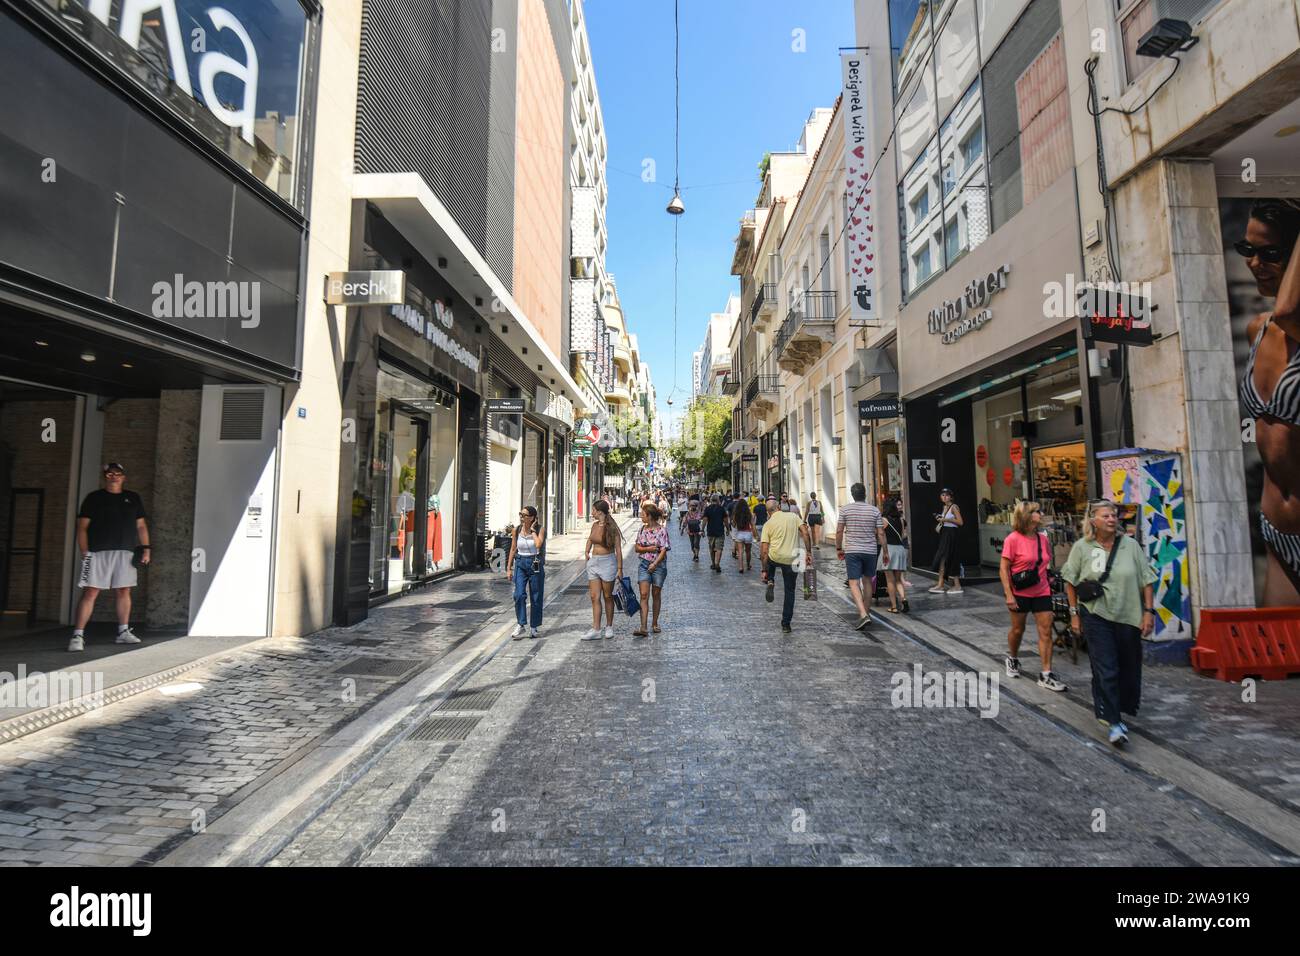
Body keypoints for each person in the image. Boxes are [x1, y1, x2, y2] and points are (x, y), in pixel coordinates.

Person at [1237, 199, 1300, 605]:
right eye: (1248, 250)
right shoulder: (1257, 329)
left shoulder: (1292, 317)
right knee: (1283, 657)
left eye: (1271, 253)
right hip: (1276, 529)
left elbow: (1289, 308)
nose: (1256, 263)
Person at [1062, 499, 1157, 746]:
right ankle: (1114, 722)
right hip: (1096, 616)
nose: (1112, 519)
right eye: (1106, 516)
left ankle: (1113, 708)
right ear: (1093, 521)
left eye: (1114, 515)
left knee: (1128, 667)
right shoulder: (1082, 547)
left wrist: (1149, 612)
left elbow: (1146, 580)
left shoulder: (1131, 546)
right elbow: (1070, 581)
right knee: (1106, 667)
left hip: (1128, 615)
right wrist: (1074, 614)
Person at [69, 462, 150, 652]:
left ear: (124, 477)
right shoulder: (94, 498)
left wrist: (146, 548)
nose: (114, 476)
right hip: (97, 552)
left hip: (126, 551)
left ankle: (123, 632)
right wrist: (85, 552)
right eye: (110, 474)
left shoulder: (133, 498)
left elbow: (141, 526)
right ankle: (77, 635)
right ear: (105, 477)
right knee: (91, 592)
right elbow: (82, 527)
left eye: (118, 473)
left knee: (124, 591)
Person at [999, 501, 1066, 691]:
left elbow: (1045, 564)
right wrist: (1008, 594)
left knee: (1045, 631)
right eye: (1036, 511)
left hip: (1042, 591)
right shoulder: (1012, 539)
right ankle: (1012, 658)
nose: (1040, 513)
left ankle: (1046, 674)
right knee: (1017, 630)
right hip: (1019, 592)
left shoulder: (1042, 539)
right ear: (1026, 515)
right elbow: (1004, 569)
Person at [835, 483, 886, 629]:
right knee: (868, 581)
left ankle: (863, 614)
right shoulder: (874, 510)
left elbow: (839, 531)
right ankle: (866, 613)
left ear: (852, 494)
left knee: (853, 582)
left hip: (853, 551)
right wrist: (885, 551)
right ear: (865, 494)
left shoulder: (845, 510)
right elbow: (881, 533)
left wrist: (838, 548)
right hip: (870, 550)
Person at [760, 494, 806, 633]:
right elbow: (805, 532)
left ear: (768, 512)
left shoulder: (768, 524)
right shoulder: (793, 517)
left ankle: (771, 580)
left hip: (775, 557)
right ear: (779, 507)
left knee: (770, 559)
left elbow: (763, 551)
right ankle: (786, 624)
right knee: (790, 591)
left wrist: (764, 571)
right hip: (793, 559)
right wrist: (808, 552)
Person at [583, 499, 623, 641]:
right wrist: (587, 551)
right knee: (594, 597)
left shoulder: (612, 527)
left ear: (599, 512)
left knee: (607, 596)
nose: (591, 512)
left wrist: (620, 568)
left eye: (593, 510)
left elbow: (618, 549)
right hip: (594, 563)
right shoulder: (594, 525)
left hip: (608, 562)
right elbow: (590, 539)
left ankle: (609, 626)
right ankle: (596, 628)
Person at [507, 506, 545, 640]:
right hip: (520, 563)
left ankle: (534, 626)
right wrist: (509, 568)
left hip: (535, 563)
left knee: (536, 596)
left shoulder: (540, 529)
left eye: (524, 515)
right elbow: (512, 549)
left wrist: (533, 531)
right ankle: (521, 624)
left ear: (532, 518)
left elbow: (538, 544)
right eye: (520, 514)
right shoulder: (516, 530)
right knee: (518, 594)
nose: (521, 517)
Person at [633, 502, 670, 637]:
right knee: (643, 594)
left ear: (649, 516)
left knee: (656, 594)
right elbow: (637, 548)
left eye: (643, 514)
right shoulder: (642, 529)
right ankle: (643, 627)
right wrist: (648, 548)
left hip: (658, 566)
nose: (641, 516)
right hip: (643, 564)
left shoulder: (662, 531)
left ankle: (654, 623)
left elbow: (664, 549)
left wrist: (654, 564)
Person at [930, 488, 964, 595]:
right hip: (945, 534)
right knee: (942, 559)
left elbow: (960, 522)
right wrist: (941, 520)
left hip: (952, 534)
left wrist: (946, 520)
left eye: (947, 495)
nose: (945, 497)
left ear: (951, 497)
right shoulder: (944, 507)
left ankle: (957, 585)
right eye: (943, 495)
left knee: (952, 558)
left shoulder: (954, 507)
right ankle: (940, 584)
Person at [881, 497, 910, 613]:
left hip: (889, 550)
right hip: (900, 549)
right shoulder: (901, 520)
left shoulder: (884, 520)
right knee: (898, 580)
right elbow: (903, 535)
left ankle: (893, 606)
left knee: (890, 581)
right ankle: (904, 599)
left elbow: (880, 534)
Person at [703, 493, 728, 572]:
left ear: (711, 500)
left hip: (710, 531)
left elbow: (704, 520)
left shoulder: (707, 508)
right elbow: (725, 520)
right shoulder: (721, 509)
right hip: (720, 531)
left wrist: (702, 529)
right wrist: (728, 529)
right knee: (719, 548)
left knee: (711, 548)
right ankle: (717, 563)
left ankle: (713, 563)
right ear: (718, 500)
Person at [732, 498, 755, 572]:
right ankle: (748, 565)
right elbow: (752, 525)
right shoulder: (749, 514)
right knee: (748, 551)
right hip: (748, 533)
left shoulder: (736, 514)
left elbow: (733, 525)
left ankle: (741, 567)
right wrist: (756, 535)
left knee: (740, 551)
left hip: (739, 534)